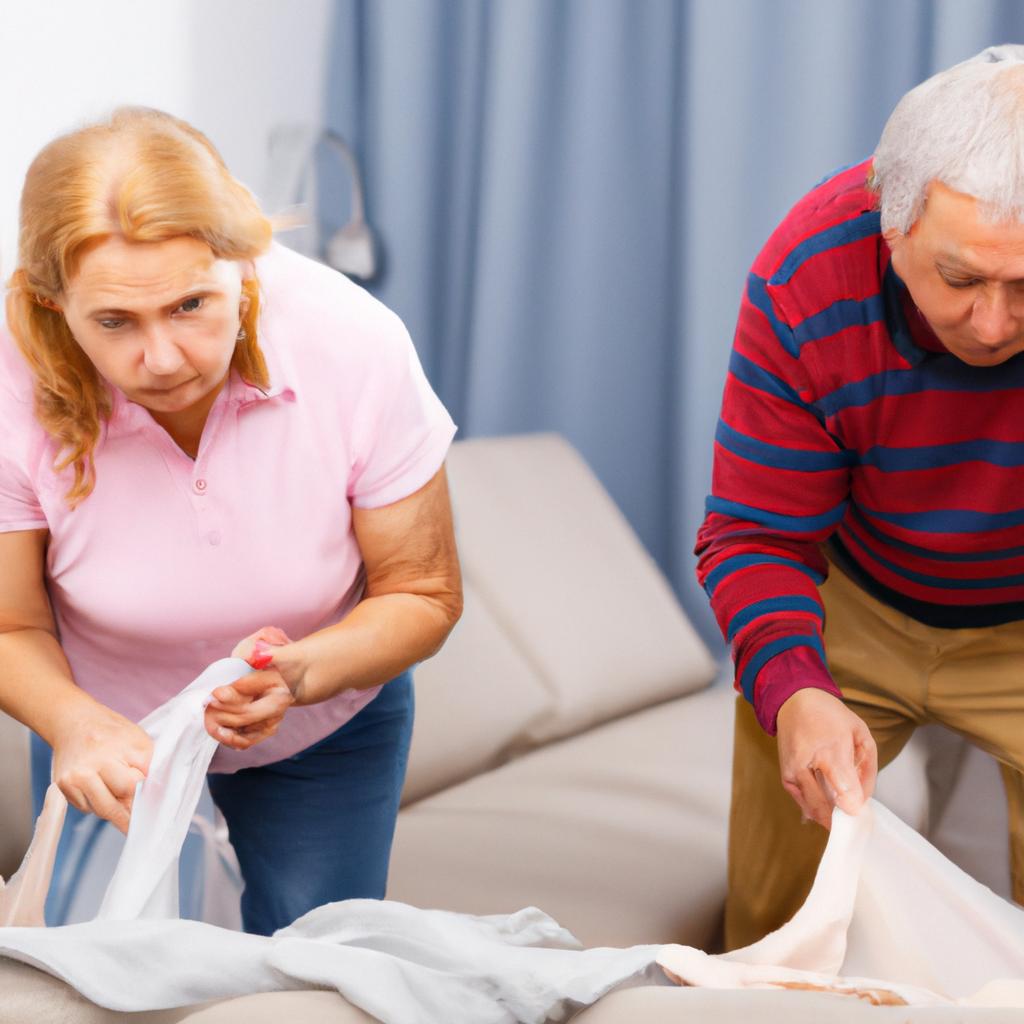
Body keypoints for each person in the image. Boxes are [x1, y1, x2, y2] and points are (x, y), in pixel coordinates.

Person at [0, 107, 463, 935]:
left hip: (324, 723)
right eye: (114, 322)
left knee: (311, 976)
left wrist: (300, 673)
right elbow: (10, 622)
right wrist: (74, 724)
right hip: (109, 726)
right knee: (95, 982)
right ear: (51, 304)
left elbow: (423, 591)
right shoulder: (11, 382)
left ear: (243, 263)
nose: (164, 358)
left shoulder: (351, 343)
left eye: (190, 305)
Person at [695, 44, 1024, 950]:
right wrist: (796, 690)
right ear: (892, 225)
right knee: (776, 929)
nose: (993, 327)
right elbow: (754, 533)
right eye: (961, 279)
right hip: (858, 605)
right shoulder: (804, 274)